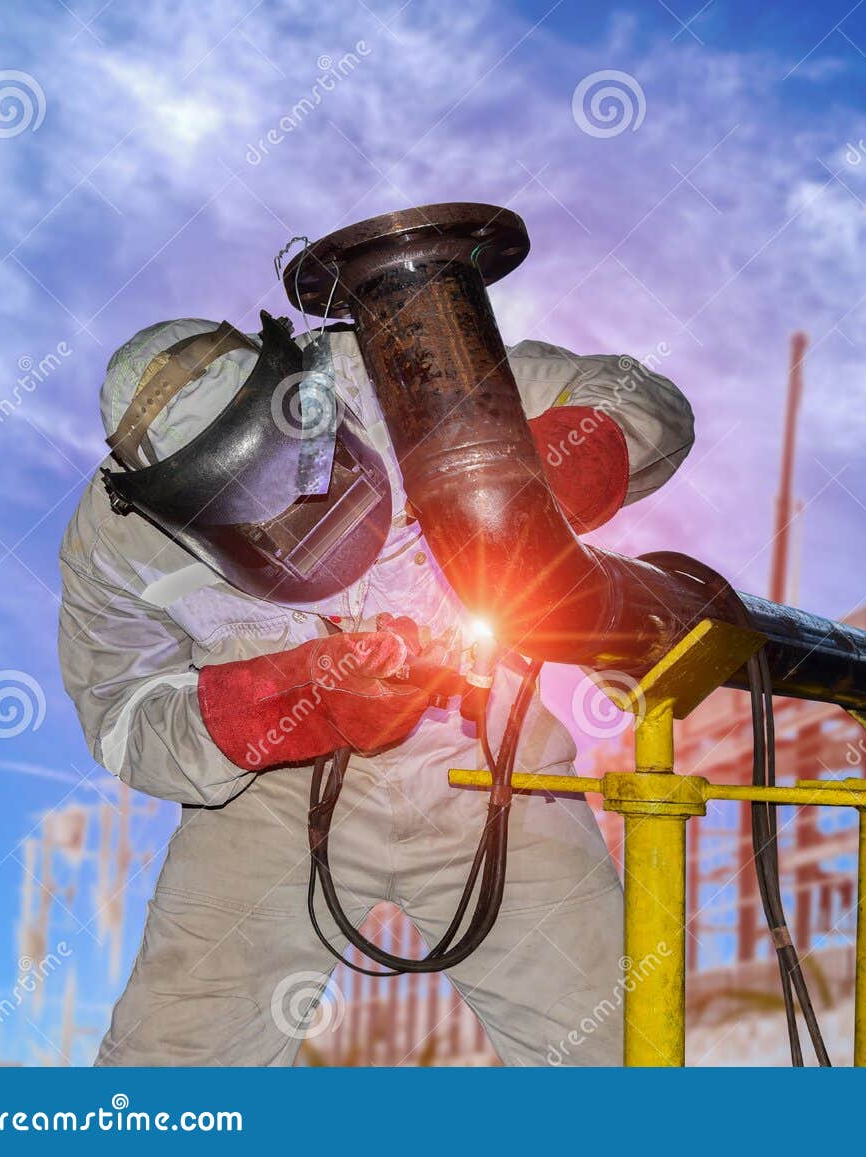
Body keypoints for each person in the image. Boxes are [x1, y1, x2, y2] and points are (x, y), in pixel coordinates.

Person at [58, 314, 693, 1065]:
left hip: (490, 761)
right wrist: (283, 705)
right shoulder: (116, 537)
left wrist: (544, 473)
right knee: (167, 1072)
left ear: (301, 388)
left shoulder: (404, 368)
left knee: (619, 1054)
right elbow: (121, 718)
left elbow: (649, 405)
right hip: (269, 802)